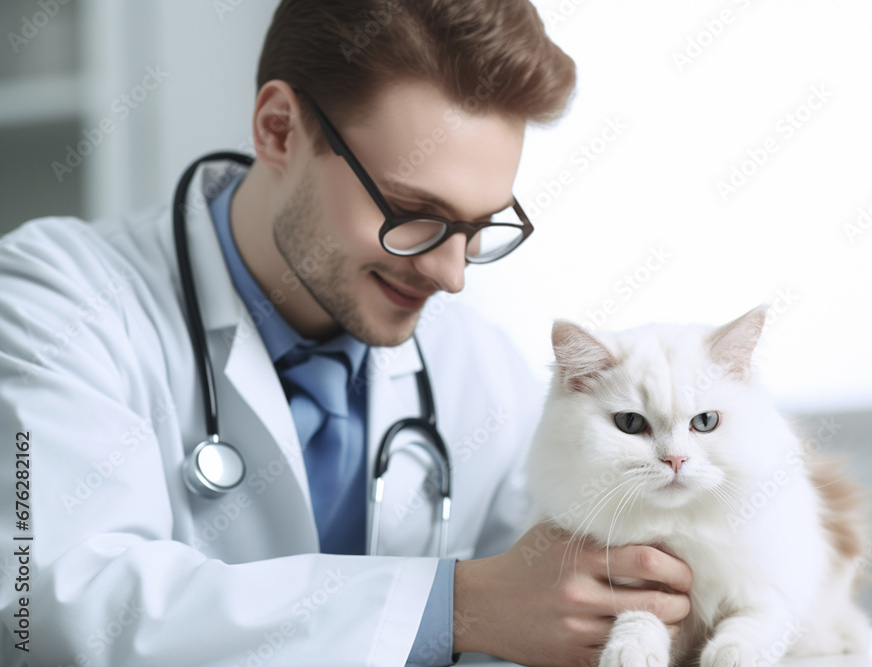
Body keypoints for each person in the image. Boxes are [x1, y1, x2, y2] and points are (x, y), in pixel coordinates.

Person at [0, 1, 692, 665]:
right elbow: (43, 609)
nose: (451, 275)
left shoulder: (471, 361)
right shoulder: (53, 300)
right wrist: (456, 608)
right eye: (414, 211)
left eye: (479, 229)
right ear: (278, 131)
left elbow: (565, 568)